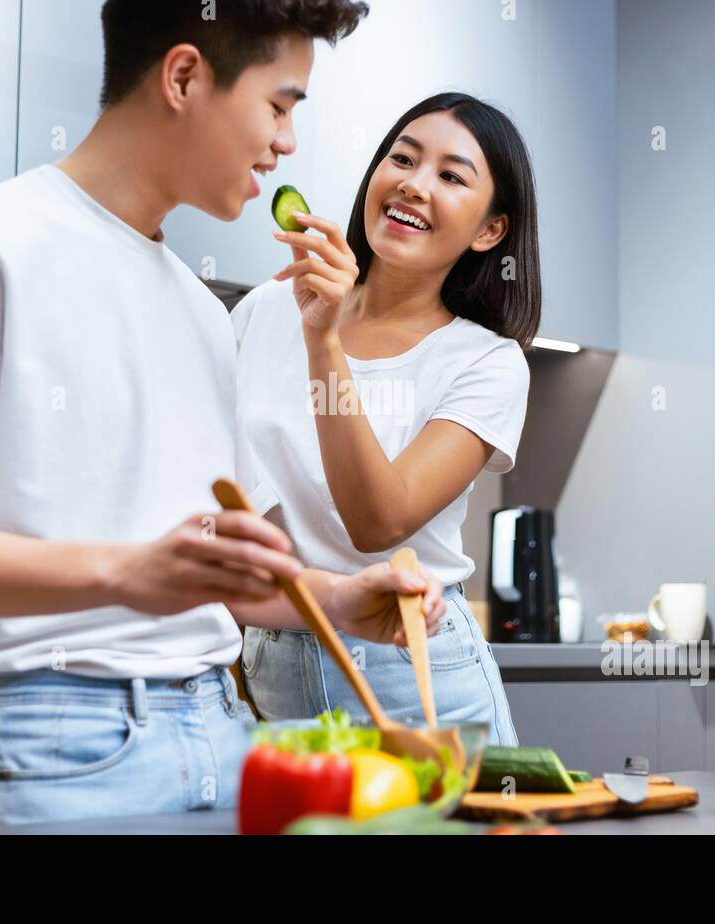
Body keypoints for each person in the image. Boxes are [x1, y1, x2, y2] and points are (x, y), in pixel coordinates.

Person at [0, 0, 445, 829]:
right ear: (184, 77)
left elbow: (206, 579)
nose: (286, 144)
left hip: (218, 729)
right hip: (58, 744)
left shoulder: (207, 312)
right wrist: (129, 573)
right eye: (280, 105)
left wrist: (333, 599)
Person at [232, 93, 542, 745]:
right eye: (402, 158)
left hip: (418, 670)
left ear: (490, 231)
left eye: (452, 176)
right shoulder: (263, 311)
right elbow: (223, 502)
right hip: (272, 661)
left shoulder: (487, 363)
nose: (413, 184)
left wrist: (325, 340)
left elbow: (378, 520)